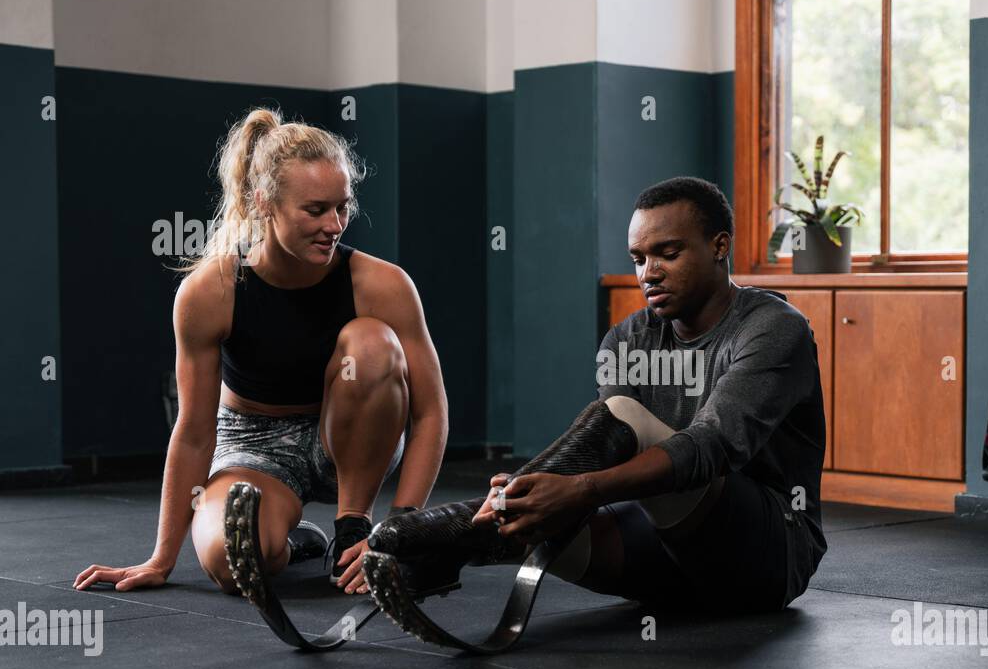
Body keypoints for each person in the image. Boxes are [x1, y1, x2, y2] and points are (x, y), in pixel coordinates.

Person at [365, 176, 826, 621]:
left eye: (668, 253)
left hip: (764, 558)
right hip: (667, 570)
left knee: (618, 423)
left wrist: (575, 488)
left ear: (719, 247)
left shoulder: (773, 328)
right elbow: (602, 456)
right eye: (639, 258)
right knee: (548, 506)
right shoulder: (627, 338)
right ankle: (464, 541)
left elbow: (711, 448)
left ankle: (463, 533)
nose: (649, 273)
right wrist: (531, 491)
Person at [74, 107, 447, 596]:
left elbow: (430, 413)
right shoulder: (210, 292)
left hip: (353, 438)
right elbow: (192, 431)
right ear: (264, 203)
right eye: (316, 210)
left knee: (372, 346)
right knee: (235, 561)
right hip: (253, 444)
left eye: (343, 206)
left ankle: (353, 527)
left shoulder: (385, 284)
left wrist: (404, 529)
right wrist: (161, 559)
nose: (335, 224)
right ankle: (294, 544)